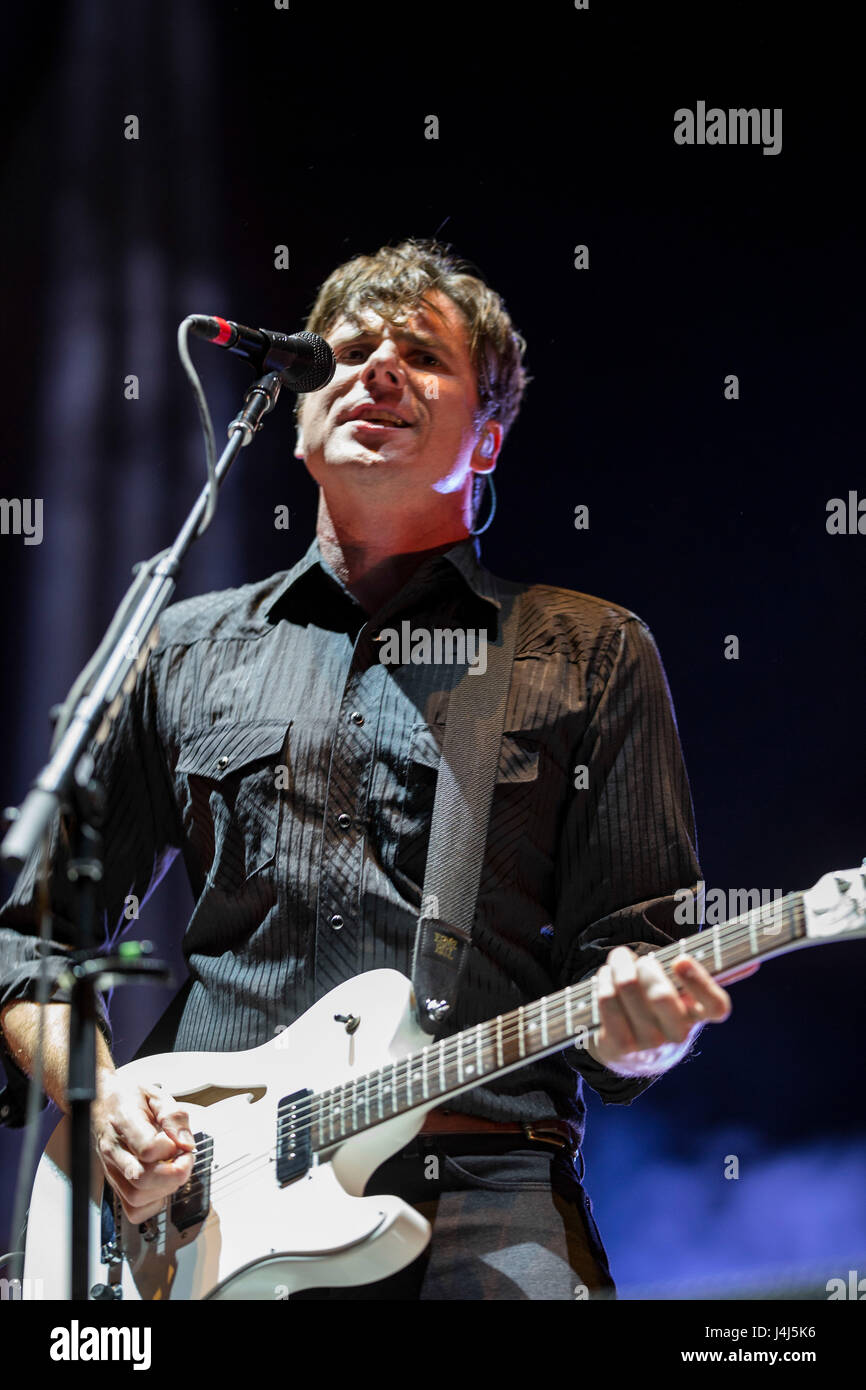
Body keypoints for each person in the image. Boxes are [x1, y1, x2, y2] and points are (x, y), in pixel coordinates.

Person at [0, 239, 746, 1300]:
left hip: (485, 1184)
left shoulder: (588, 651)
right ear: (299, 421)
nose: (378, 370)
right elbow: (34, 937)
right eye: (347, 353)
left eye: (422, 357)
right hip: (198, 1212)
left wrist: (642, 1040)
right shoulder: (187, 647)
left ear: (486, 440)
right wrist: (99, 1097)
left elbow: (636, 963)